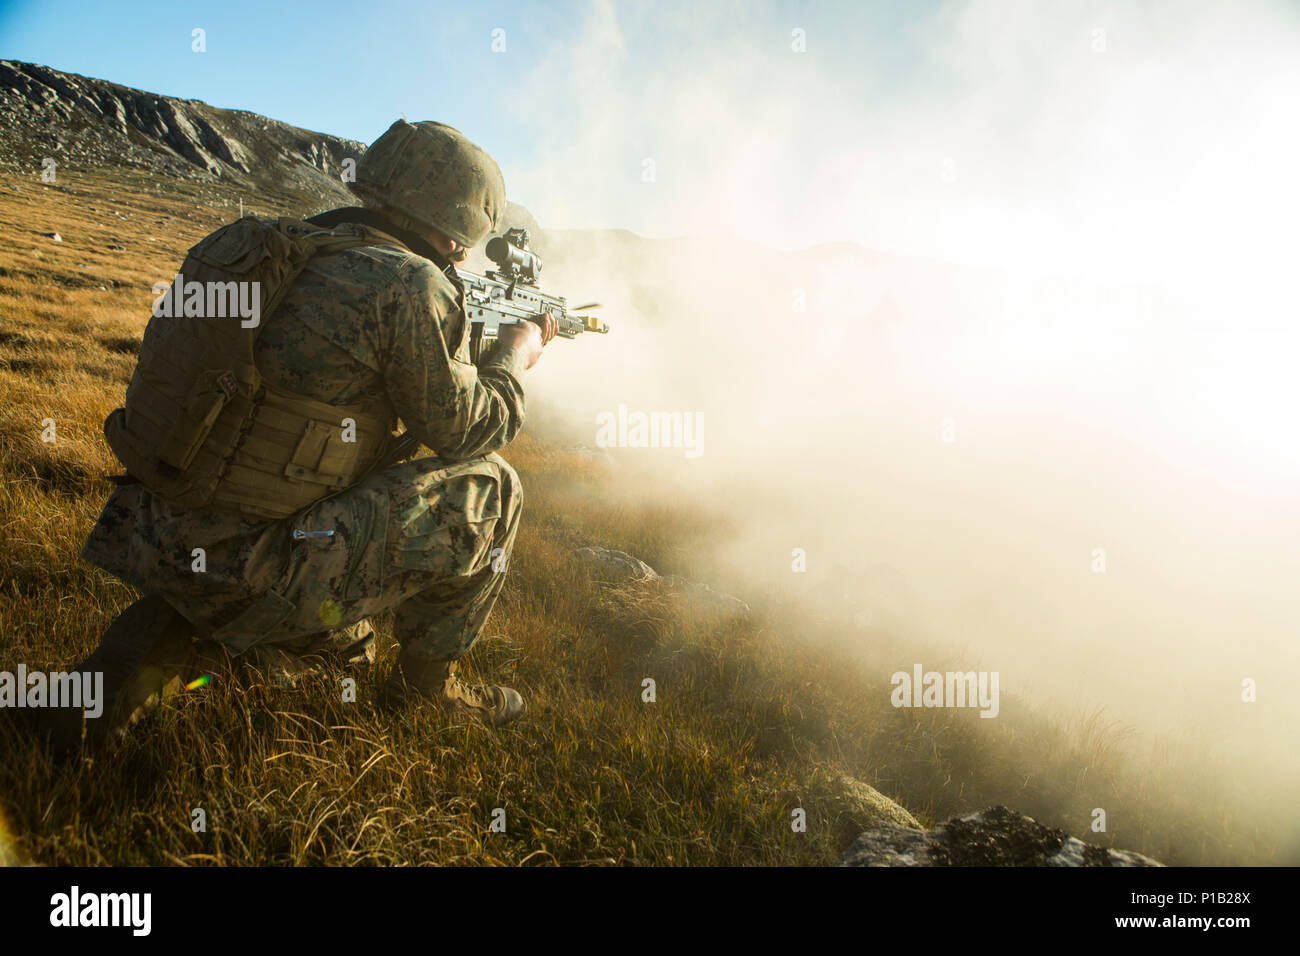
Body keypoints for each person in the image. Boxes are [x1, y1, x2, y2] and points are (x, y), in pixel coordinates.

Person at [56, 120, 552, 747]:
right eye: (461, 245)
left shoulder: (263, 246)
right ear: (456, 231)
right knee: (496, 489)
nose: (459, 256)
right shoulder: (409, 284)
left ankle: (231, 646)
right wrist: (514, 354)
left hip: (151, 521)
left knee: (325, 630)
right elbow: (468, 432)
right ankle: (427, 691)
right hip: (252, 555)